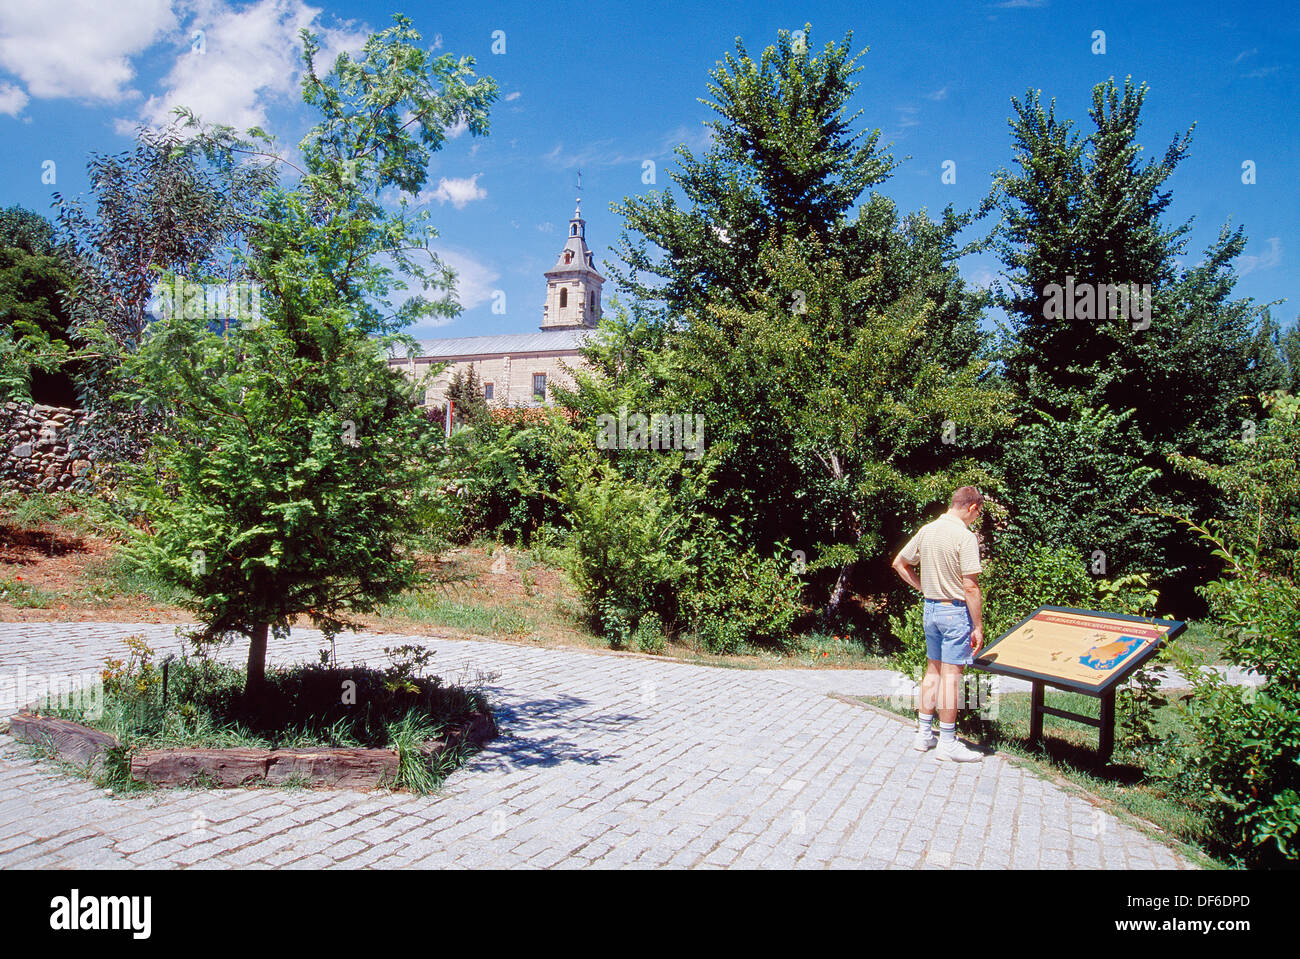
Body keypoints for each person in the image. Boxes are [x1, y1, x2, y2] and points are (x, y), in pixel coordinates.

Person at [891, 486, 986, 762]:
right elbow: (970, 586)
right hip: (954, 612)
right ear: (971, 507)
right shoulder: (964, 537)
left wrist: (923, 588)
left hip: (930, 610)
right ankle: (947, 741)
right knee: (951, 677)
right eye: (977, 513)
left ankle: (923, 734)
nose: (976, 519)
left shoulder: (927, 530)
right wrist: (977, 626)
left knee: (932, 671)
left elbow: (899, 563)